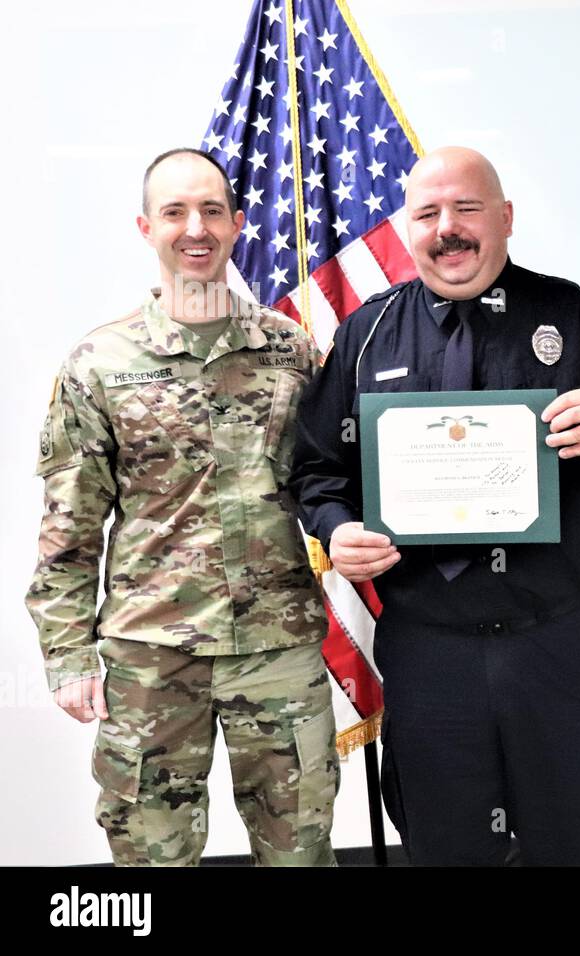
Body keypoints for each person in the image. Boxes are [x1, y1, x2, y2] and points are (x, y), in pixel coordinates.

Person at [290, 146, 580, 866]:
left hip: (559, 641)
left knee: (573, 842)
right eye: (428, 212)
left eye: (466, 208)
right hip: (431, 648)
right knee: (445, 846)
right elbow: (316, 471)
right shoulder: (366, 336)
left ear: (505, 218)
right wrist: (336, 532)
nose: (448, 227)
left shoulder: (577, 317)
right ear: (406, 229)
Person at [26, 148, 336, 866]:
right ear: (146, 227)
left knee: (302, 852)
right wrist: (68, 655)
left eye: (211, 210)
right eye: (174, 212)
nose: (194, 228)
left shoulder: (291, 350)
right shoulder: (99, 362)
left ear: (237, 224)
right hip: (150, 658)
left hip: (276, 649)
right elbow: (70, 524)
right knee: (151, 858)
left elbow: (329, 480)